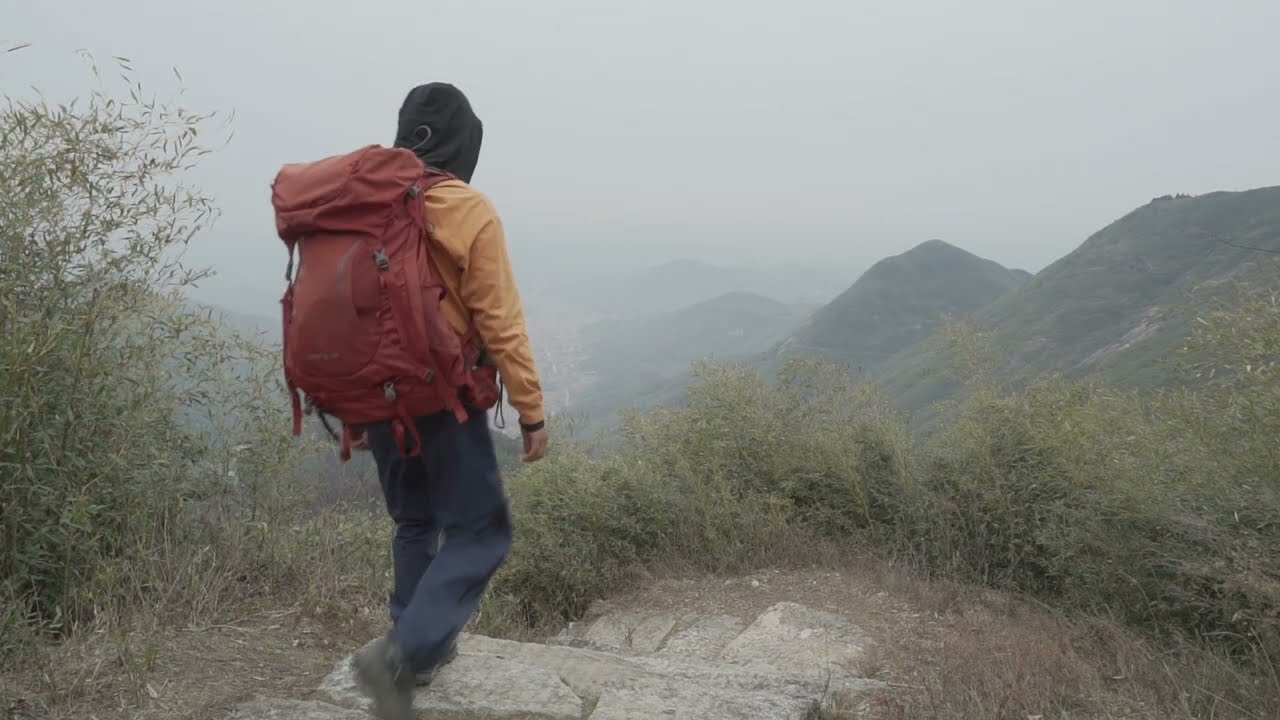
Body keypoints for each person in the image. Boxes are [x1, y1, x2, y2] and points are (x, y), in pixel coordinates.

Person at [350, 82, 548, 720]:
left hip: (377, 392)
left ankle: (420, 655)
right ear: (466, 142)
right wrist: (531, 410)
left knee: (414, 521)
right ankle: (405, 650)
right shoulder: (468, 208)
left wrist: (351, 407)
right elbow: (499, 321)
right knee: (480, 530)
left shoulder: (358, 202)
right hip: (443, 395)